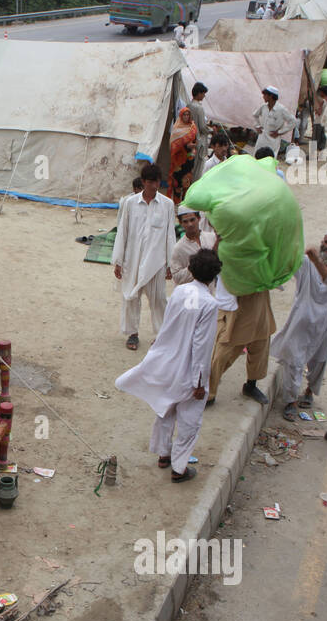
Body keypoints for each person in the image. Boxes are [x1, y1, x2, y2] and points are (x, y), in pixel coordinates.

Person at [115, 249, 223, 484]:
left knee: (165, 409)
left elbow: (168, 325)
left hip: (166, 362)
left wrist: (158, 345)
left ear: (191, 270)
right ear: (214, 276)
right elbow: (202, 346)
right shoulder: (210, 304)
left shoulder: (181, 291)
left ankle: (164, 454)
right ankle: (179, 467)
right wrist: (199, 382)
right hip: (188, 369)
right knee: (189, 419)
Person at [269, 232, 327, 422]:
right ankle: (290, 401)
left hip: (324, 322)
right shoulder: (306, 262)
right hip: (300, 319)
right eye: (326, 242)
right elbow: (288, 265)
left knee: (319, 360)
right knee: (293, 360)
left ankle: (309, 390)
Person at [112, 163, 174, 351]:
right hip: (133, 258)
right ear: (144, 182)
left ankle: (162, 335)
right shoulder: (130, 203)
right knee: (131, 297)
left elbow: (170, 234)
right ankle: (133, 334)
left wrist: (170, 264)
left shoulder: (167, 205)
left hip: (156, 261)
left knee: (159, 299)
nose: (154, 186)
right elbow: (122, 231)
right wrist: (118, 261)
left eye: (156, 182)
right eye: (150, 182)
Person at [208, 274, 276, 405]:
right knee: (222, 354)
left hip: (260, 301)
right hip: (236, 306)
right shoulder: (228, 258)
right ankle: (209, 393)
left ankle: (251, 385)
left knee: (259, 348)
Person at [169, 206, 217, 284]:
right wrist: (195, 267)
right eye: (185, 221)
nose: (190, 224)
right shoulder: (178, 248)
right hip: (190, 292)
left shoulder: (211, 237)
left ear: (199, 218)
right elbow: (176, 277)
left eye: (192, 220)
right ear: (181, 223)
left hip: (211, 290)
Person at [253, 86, 296, 157]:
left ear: (271, 96)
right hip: (262, 137)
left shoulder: (281, 109)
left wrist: (280, 132)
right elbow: (255, 115)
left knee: (270, 158)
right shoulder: (263, 107)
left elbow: (293, 122)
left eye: (265, 95)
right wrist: (257, 126)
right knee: (257, 156)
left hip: (273, 140)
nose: (263, 97)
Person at [168, 106, 198, 200]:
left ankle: (185, 201)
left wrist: (193, 147)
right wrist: (185, 146)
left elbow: (196, 140)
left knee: (187, 179)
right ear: (181, 116)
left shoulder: (192, 127)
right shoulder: (177, 128)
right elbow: (173, 144)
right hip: (178, 159)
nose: (186, 116)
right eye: (184, 114)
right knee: (177, 181)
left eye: (188, 114)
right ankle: (176, 202)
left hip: (189, 158)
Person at [188, 83, 211, 183]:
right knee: (198, 167)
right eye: (203, 93)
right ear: (198, 93)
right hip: (199, 140)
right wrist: (210, 130)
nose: (204, 96)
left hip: (190, 139)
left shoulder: (188, 105)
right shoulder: (199, 108)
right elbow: (202, 127)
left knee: (189, 167)